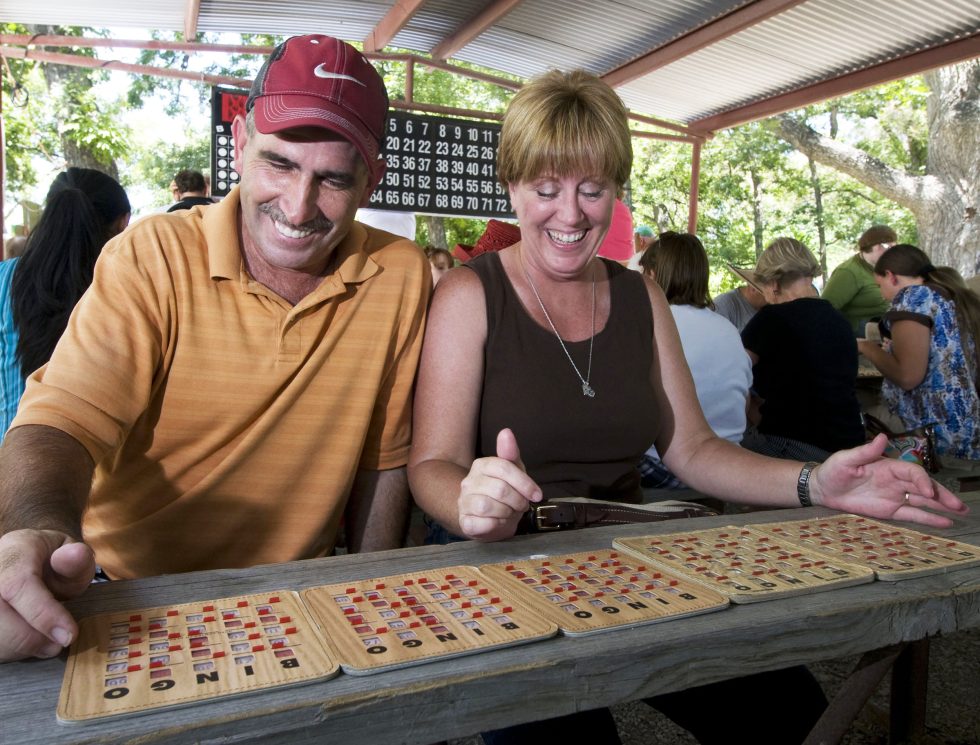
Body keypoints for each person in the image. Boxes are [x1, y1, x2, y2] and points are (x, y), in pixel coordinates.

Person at [407, 69, 965, 745]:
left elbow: (692, 449)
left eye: (593, 188)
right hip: (504, 568)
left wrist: (817, 482)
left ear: (616, 188)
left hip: (621, 557)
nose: (571, 213)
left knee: (788, 712)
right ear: (512, 186)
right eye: (545, 188)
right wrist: (468, 499)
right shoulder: (470, 293)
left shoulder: (640, 295)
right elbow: (430, 462)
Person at [0, 34, 430, 663]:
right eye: (279, 163)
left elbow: (384, 463)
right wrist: (34, 530)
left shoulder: (400, 273)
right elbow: (59, 422)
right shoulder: (153, 256)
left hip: (297, 598)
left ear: (371, 182)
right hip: (126, 597)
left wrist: (362, 609)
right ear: (239, 143)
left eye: (332, 178)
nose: (299, 205)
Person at [0, 169, 130, 442]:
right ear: (122, 222)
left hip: (10, 450)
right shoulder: (125, 284)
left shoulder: (4, 278)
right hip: (97, 461)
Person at [636, 231, 751, 489]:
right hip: (730, 462)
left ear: (652, 275)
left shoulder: (648, 324)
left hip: (670, 468)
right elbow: (743, 404)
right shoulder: (728, 329)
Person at [740, 237, 866, 462]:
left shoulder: (771, 319)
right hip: (849, 442)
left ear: (774, 283)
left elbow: (733, 375)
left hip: (794, 443)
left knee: (721, 451)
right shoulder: (839, 320)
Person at [858, 244, 980, 461]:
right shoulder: (945, 295)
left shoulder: (912, 299)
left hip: (930, 432)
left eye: (879, 285)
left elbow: (907, 377)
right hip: (960, 422)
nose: (882, 294)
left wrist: (865, 347)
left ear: (891, 276)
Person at [822, 225, 895, 335]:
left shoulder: (882, 267)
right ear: (876, 246)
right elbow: (825, 309)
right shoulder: (848, 272)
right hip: (859, 334)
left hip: (884, 327)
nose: (892, 252)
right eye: (889, 248)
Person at [712, 264, 767, 331]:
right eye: (770, 294)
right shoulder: (725, 304)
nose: (774, 300)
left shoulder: (772, 307)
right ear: (753, 289)